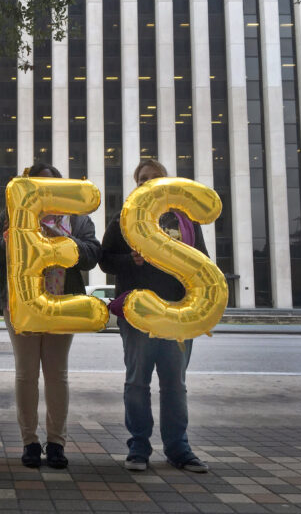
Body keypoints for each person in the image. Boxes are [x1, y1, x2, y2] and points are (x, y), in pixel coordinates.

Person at [0, 162, 101, 469]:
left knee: (57, 374)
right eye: (35, 184)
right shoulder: (13, 213)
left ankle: (57, 442)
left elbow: (91, 256)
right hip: (20, 305)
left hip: (63, 303)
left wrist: (65, 239)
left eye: (48, 185)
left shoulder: (75, 218)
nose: (42, 191)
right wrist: (9, 237)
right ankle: (29, 441)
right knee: (26, 374)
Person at [99, 159, 209, 474]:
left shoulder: (185, 219)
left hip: (179, 313)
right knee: (137, 382)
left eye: (156, 177)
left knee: (175, 384)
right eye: (143, 178)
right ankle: (138, 449)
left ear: (167, 182)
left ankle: (179, 449)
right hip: (138, 314)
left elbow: (204, 261)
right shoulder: (124, 218)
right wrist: (129, 260)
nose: (149, 182)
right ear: (137, 184)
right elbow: (105, 260)